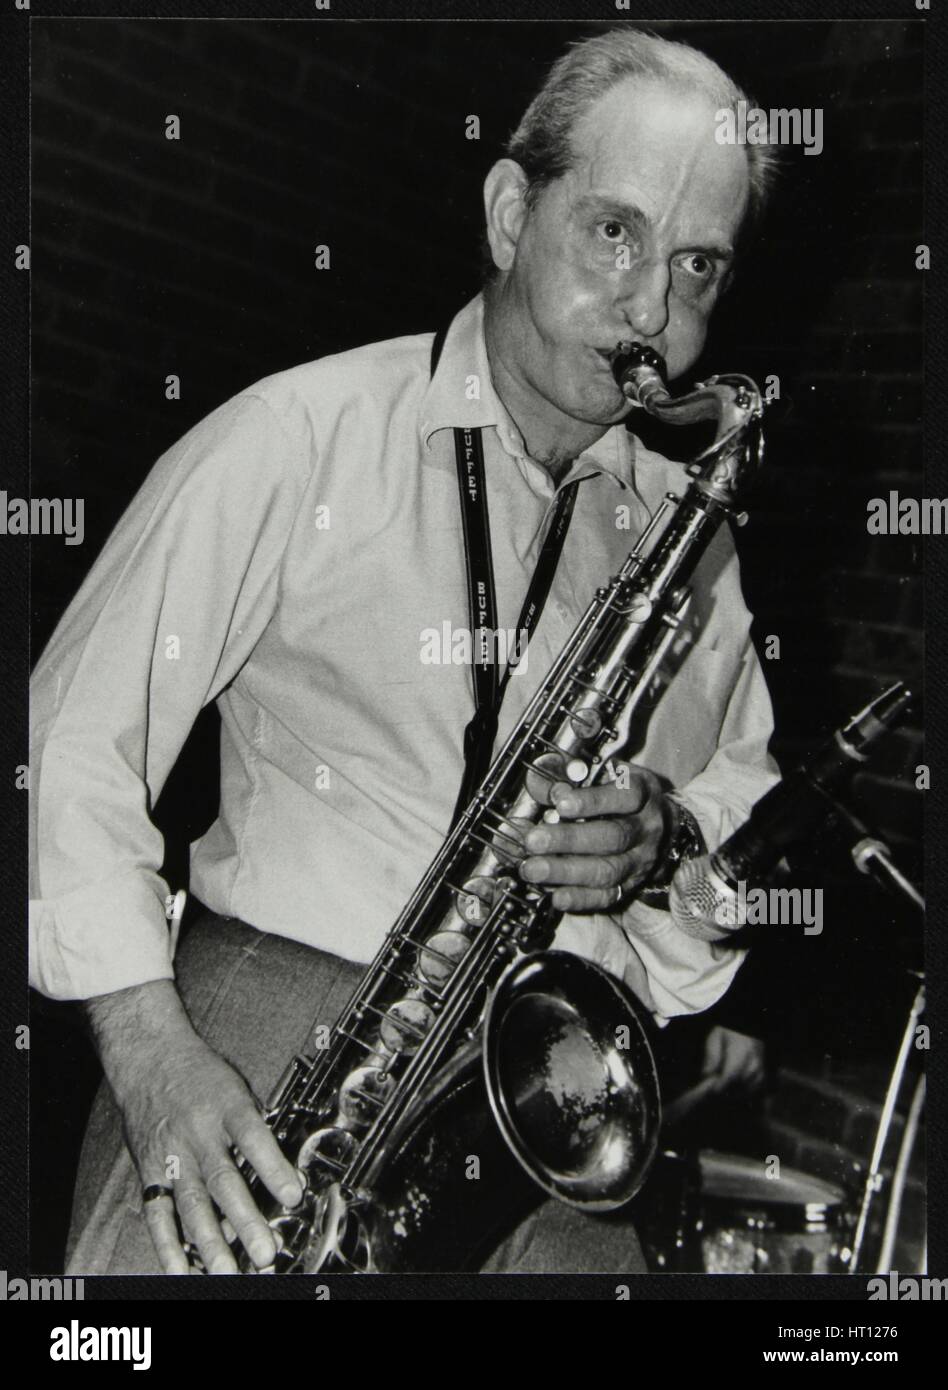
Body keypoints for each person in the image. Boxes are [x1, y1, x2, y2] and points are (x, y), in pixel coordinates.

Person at [29, 27, 780, 1275]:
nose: (653, 306)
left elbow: (734, 845)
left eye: (697, 263)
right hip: (269, 1048)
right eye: (614, 232)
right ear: (507, 212)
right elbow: (61, 746)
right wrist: (155, 1054)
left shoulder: (692, 547)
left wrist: (666, 844)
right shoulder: (296, 437)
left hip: (551, 1093)